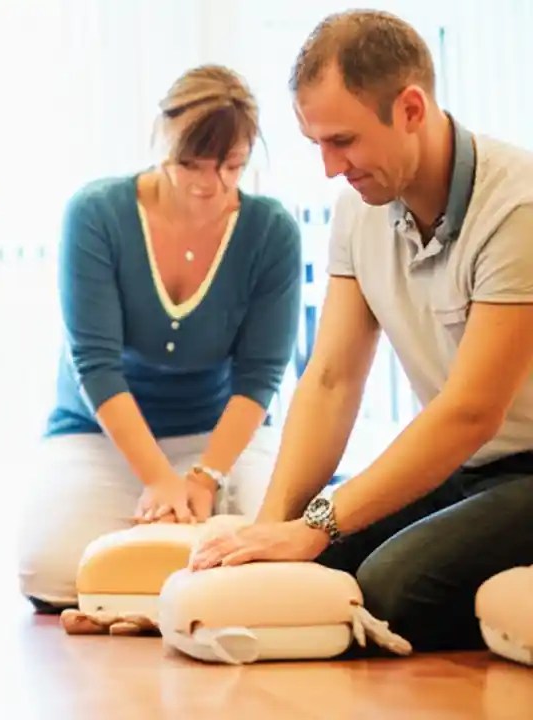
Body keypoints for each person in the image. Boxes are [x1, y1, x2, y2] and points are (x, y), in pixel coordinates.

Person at [190, 9, 533, 652]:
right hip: (466, 470)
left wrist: (318, 522)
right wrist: (272, 530)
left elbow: (471, 412)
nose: (328, 167)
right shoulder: (359, 211)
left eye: (342, 141)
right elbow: (330, 379)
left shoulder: (517, 207)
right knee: (315, 569)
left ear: (410, 108)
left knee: (391, 589)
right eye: (316, 143)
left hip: (520, 465)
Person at [18, 65, 303, 610]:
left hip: (217, 431)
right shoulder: (96, 213)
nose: (208, 184)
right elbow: (95, 365)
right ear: (159, 138)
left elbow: (261, 375)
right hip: (100, 434)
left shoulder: (271, 232)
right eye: (189, 164)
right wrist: (160, 480)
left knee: (281, 548)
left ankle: (167, 584)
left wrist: (205, 475)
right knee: (49, 573)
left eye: (232, 166)